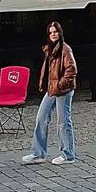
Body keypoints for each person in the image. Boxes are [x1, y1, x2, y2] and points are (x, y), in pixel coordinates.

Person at [22, 21, 78, 165]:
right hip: (52, 89)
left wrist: (60, 85)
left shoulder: (65, 49)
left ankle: (68, 155)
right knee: (41, 117)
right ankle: (38, 153)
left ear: (60, 33)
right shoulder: (48, 49)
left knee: (63, 121)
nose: (53, 34)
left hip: (63, 90)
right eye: (51, 32)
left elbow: (71, 70)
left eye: (55, 31)